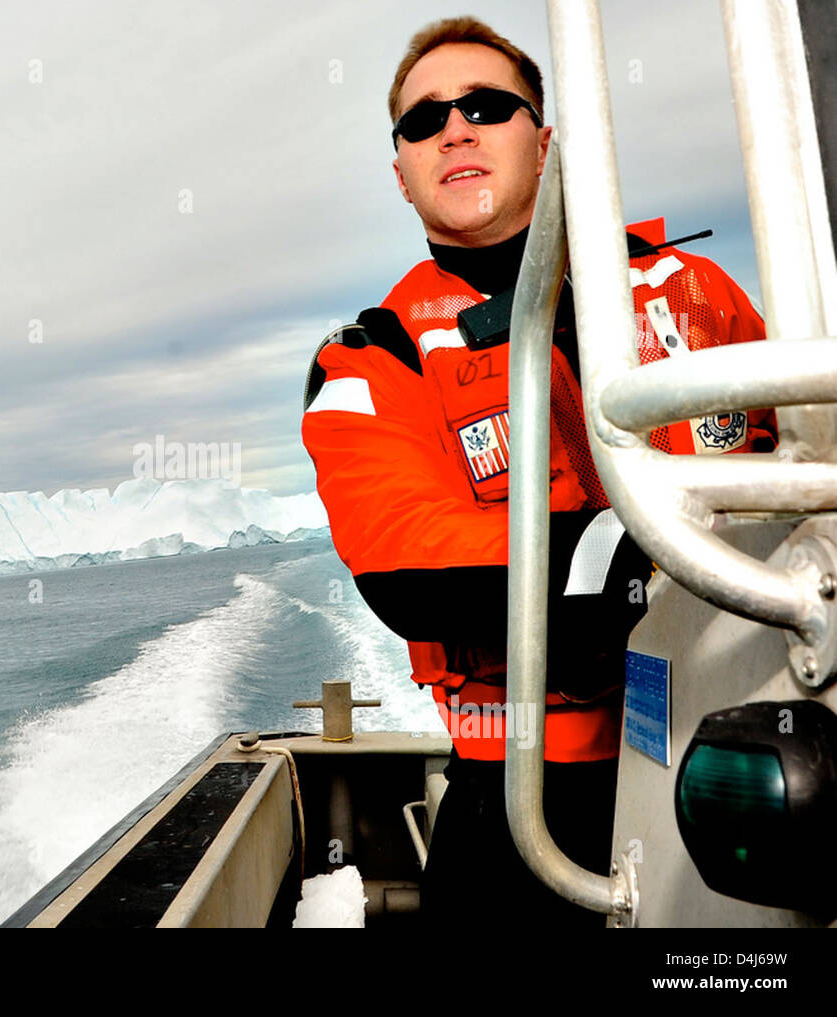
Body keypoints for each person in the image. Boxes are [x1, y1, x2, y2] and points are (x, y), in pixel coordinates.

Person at [300, 16, 776, 928]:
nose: (455, 128)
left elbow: (809, 462)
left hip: (732, 759)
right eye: (422, 120)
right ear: (401, 172)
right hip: (523, 807)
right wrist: (635, 559)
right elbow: (408, 566)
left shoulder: (696, 294)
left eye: (486, 105)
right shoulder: (374, 362)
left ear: (547, 139)